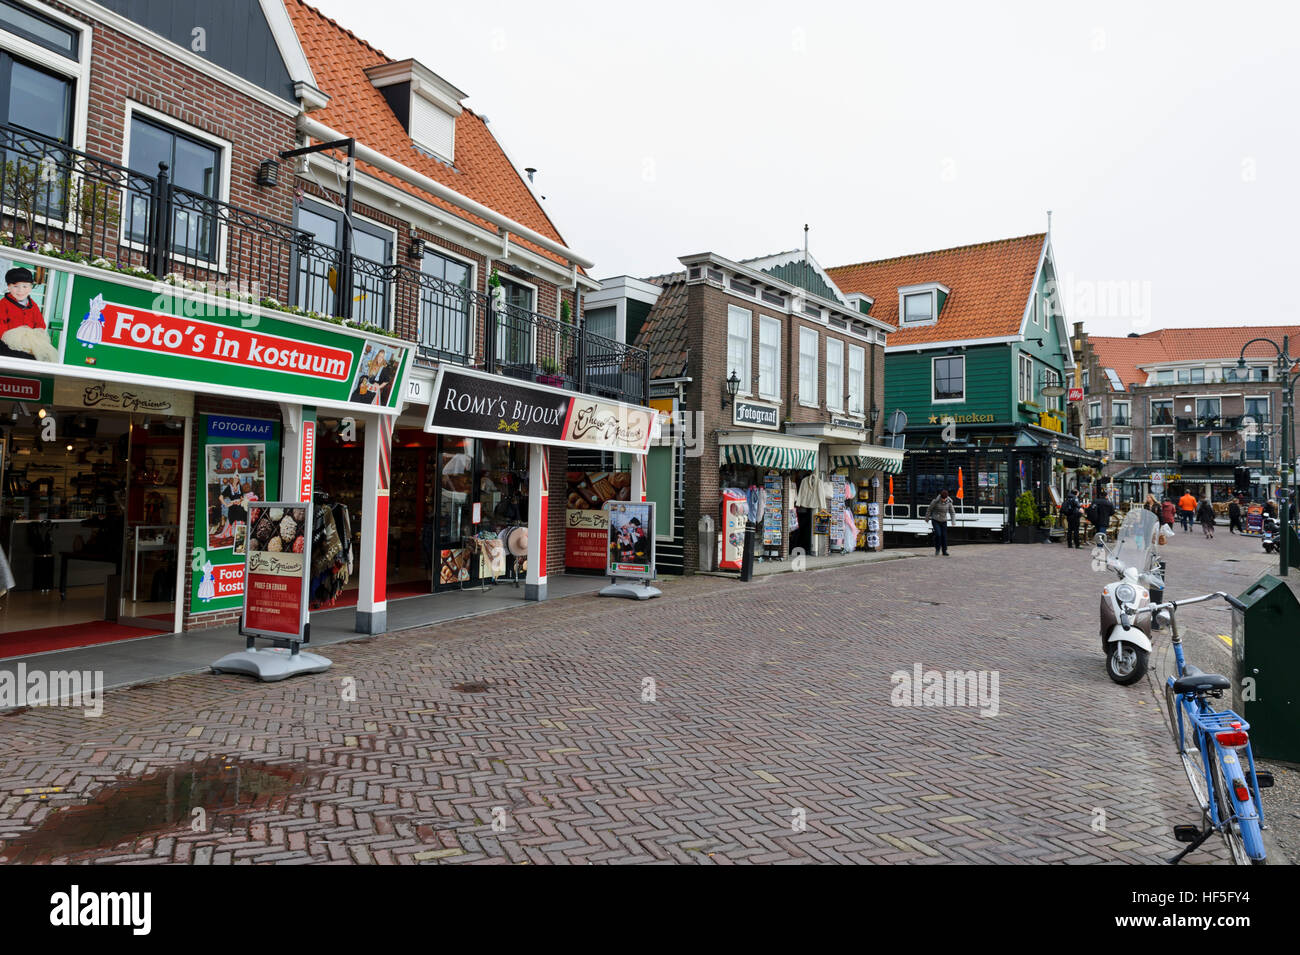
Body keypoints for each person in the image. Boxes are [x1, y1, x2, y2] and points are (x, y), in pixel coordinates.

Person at [926, 488, 955, 556]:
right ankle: (937, 549)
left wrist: (953, 521)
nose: (943, 500)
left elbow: (952, 512)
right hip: (935, 520)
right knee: (938, 534)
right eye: (942, 498)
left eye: (945, 498)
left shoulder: (949, 502)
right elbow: (929, 509)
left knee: (944, 536)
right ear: (940, 497)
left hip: (944, 521)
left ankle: (944, 551)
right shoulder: (935, 501)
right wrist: (927, 518)